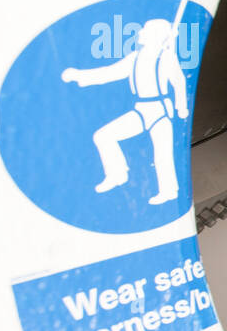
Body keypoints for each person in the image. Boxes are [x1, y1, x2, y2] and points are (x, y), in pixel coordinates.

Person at [61, 17, 188, 205]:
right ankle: (117, 174)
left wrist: (181, 107)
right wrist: (78, 76)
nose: (141, 33)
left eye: (146, 30)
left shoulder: (166, 58)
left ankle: (168, 191)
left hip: (160, 110)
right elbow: (107, 73)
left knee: (162, 153)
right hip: (141, 110)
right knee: (103, 136)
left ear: (156, 36)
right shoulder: (134, 58)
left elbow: (179, 82)